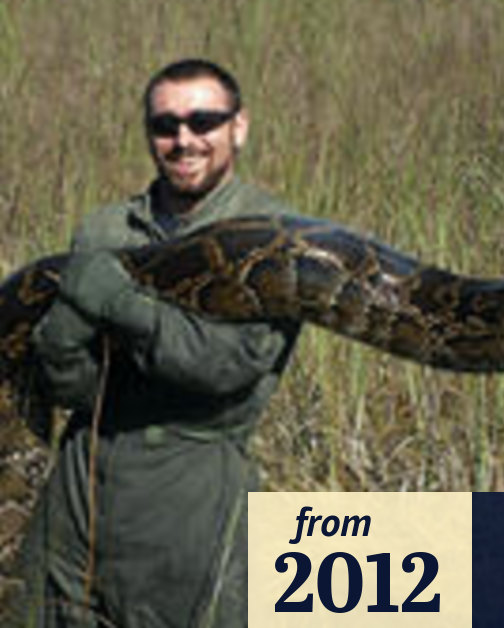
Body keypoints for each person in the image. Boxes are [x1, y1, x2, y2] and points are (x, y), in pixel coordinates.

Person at [20, 59, 300, 626]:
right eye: (165, 125)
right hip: (79, 494)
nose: (184, 140)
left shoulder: (274, 236)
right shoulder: (105, 231)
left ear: (238, 127)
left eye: (203, 121)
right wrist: (59, 347)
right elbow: (78, 390)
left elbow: (222, 368)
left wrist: (123, 306)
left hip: (190, 501)